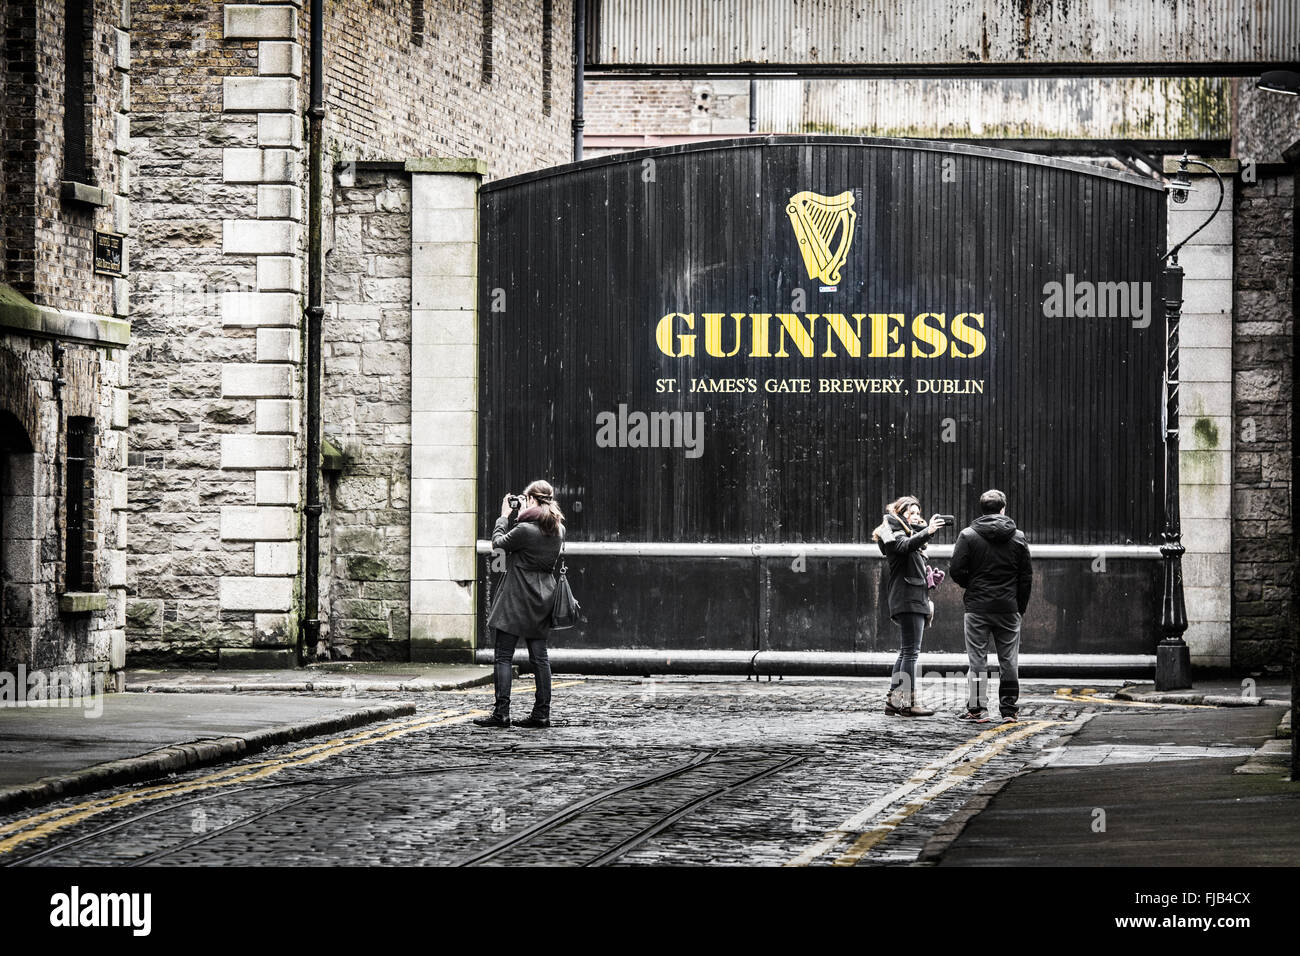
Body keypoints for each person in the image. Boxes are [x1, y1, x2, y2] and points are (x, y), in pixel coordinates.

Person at [473, 479, 565, 729]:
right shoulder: (558, 529)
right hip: (542, 596)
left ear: (532, 499)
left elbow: (498, 544)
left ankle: (501, 713)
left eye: (526, 499)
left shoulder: (525, 530)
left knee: (503, 656)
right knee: (540, 658)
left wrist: (504, 517)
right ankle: (541, 714)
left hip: (516, 596)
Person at [949, 488, 1033, 725]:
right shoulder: (1018, 537)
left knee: (977, 659)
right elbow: (1026, 576)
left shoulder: (968, 535)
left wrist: (972, 586)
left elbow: (955, 570)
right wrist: (1020, 607)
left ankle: (977, 709)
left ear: (982, 509)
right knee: (1009, 660)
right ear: (1003, 509)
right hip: (1008, 607)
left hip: (977, 608)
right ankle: (1009, 710)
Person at [872, 496, 947, 717]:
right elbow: (903, 547)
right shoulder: (893, 533)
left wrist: (928, 576)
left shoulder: (906, 535)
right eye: (910, 513)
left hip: (911, 597)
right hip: (908, 599)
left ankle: (894, 701)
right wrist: (928, 530)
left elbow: (909, 556)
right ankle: (909, 703)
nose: (916, 516)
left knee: (906, 652)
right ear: (899, 513)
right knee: (911, 653)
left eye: (917, 512)